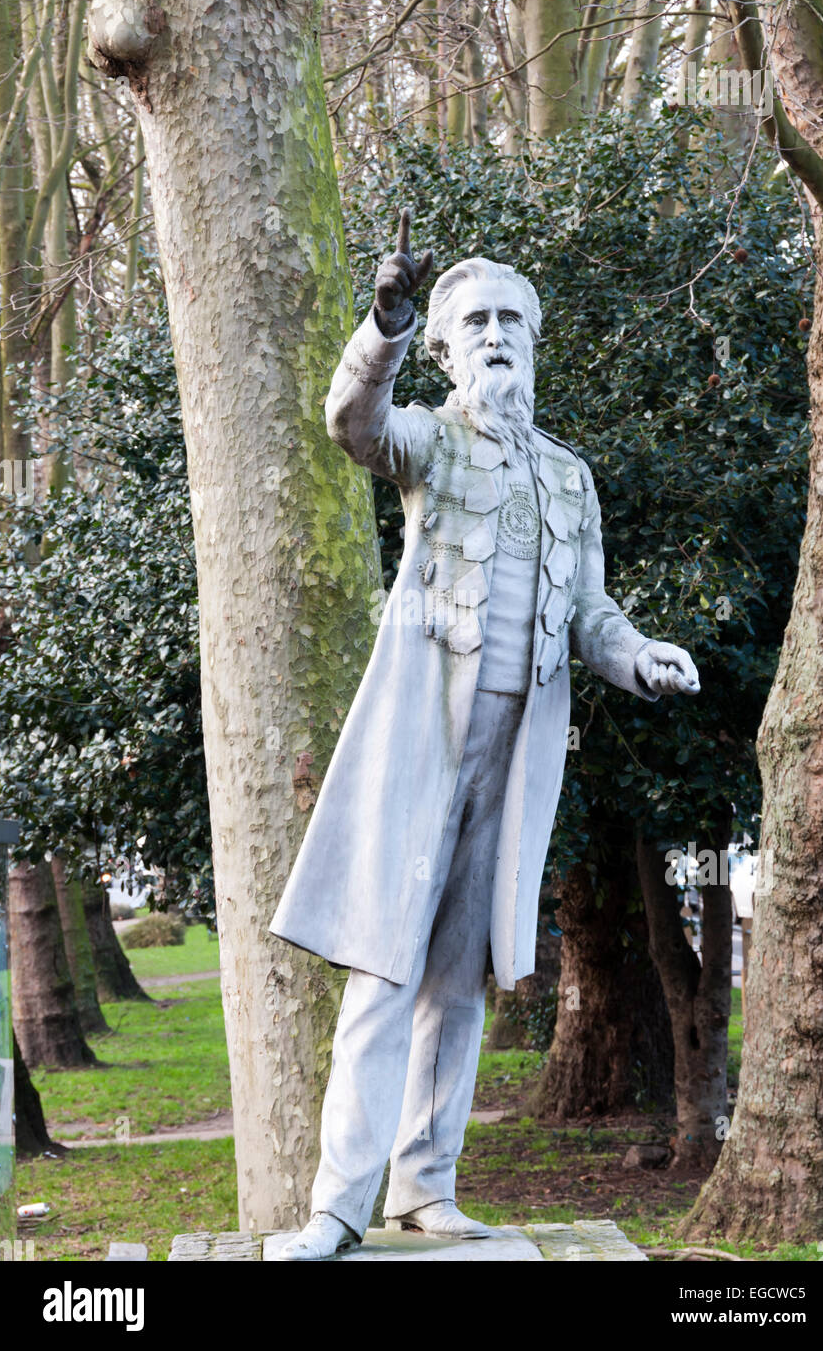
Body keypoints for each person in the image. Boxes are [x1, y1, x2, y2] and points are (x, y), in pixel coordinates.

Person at [271, 210, 700, 1260]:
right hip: (419, 741)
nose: (498, 333)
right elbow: (350, 424)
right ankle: (338, 1204)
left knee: (457, 981)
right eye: (477, 322)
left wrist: (635, 651)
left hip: (511, 761)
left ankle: (426, 1186)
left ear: (532, 343)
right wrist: (383, 324)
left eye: (513, 318)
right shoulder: (426, 439)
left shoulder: (567, 477)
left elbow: (588, 614)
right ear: (450, 347)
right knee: (380, 969)